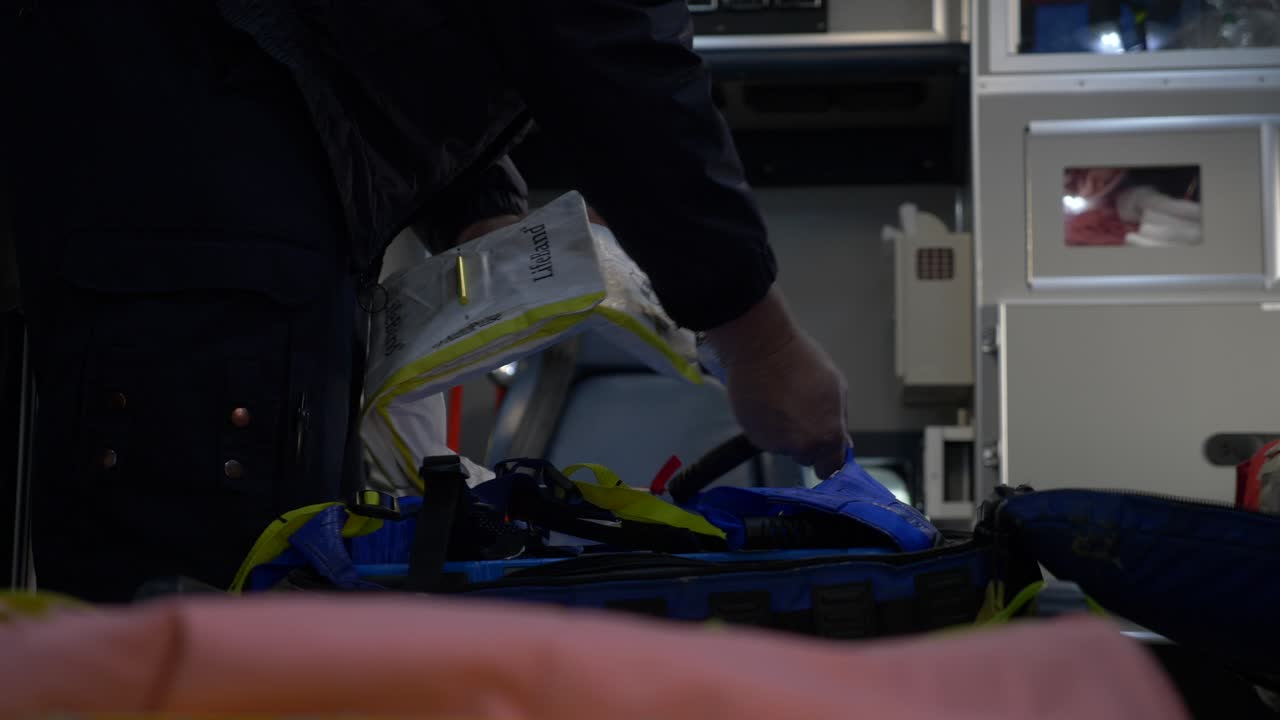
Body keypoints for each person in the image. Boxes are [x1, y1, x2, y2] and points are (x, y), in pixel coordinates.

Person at [3, 1, 848, 601]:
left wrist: (483, 204)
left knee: (268, 569)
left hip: (210, 119)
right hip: (199, 135)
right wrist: (762, 343)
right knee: (210, 602)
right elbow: (612, 48)